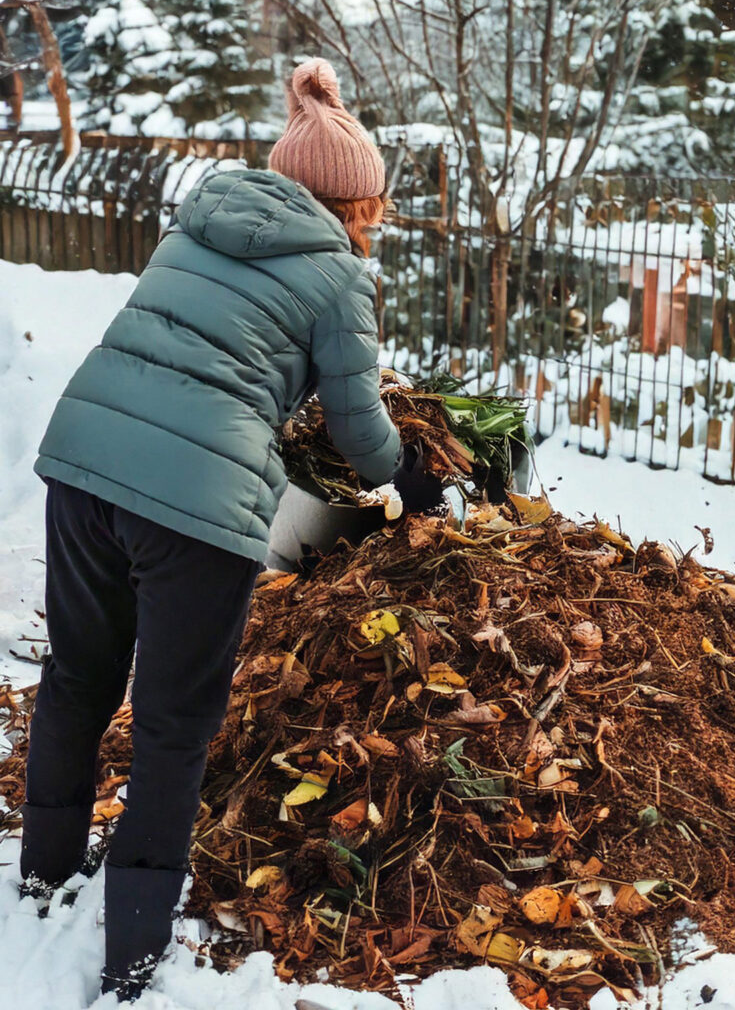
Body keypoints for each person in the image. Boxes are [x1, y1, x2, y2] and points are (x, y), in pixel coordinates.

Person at [21, 58, 438, 1001]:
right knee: (174, 723)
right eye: (372, 204)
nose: (377, 220)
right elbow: (355, 423)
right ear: (345, 200)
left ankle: (43, 871)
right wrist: (404, 481)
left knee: (79, 676)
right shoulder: (339, 276)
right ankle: (131, 952)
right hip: (198, 511)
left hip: (82, 464)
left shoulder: (196, 228)